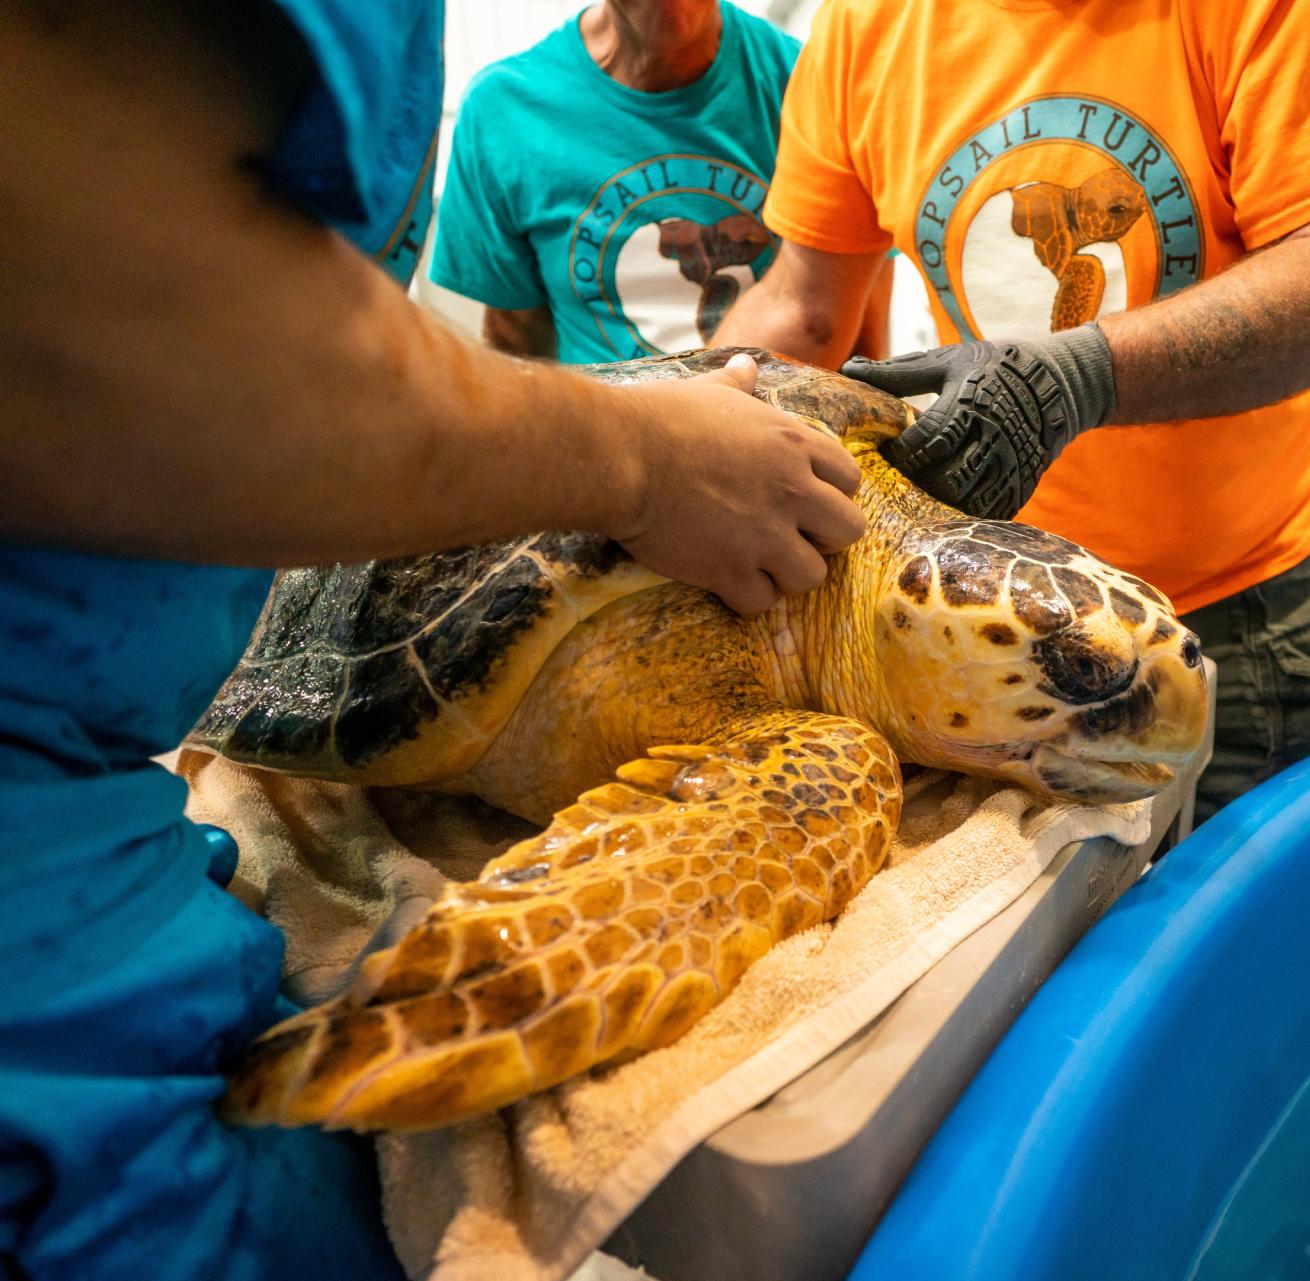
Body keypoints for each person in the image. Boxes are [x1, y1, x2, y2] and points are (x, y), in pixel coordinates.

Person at [0, 2, 865, 1277]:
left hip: (99, 792)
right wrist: (641, 456)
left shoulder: (783, 65)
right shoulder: (513, 109)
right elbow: (75, 308)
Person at [715, 0, 1310, 819]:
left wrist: (1078, 375)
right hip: (982, 625)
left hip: (1237, 617)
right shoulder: (866, 25)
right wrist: (662, 426)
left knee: (1245, 930)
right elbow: (804, 306)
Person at [429, 0, 892, 362]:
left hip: (792, 445)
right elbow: (518, 347)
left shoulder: (810, 84)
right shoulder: (505, 114)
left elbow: (857, 336)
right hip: (608, 455)